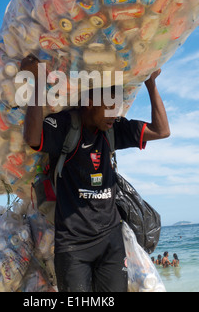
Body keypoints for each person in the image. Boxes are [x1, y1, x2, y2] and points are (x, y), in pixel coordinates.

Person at [23, 55, 170, 292]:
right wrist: (38, 82)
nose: (116, 112)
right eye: (110, 106)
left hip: (111, 242)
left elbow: (161, 130)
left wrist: (151, 84)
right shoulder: (64, 127)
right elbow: (32, 138)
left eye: (118, 106)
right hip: (72, 246)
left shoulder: (113, 130)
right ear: (90, 101)